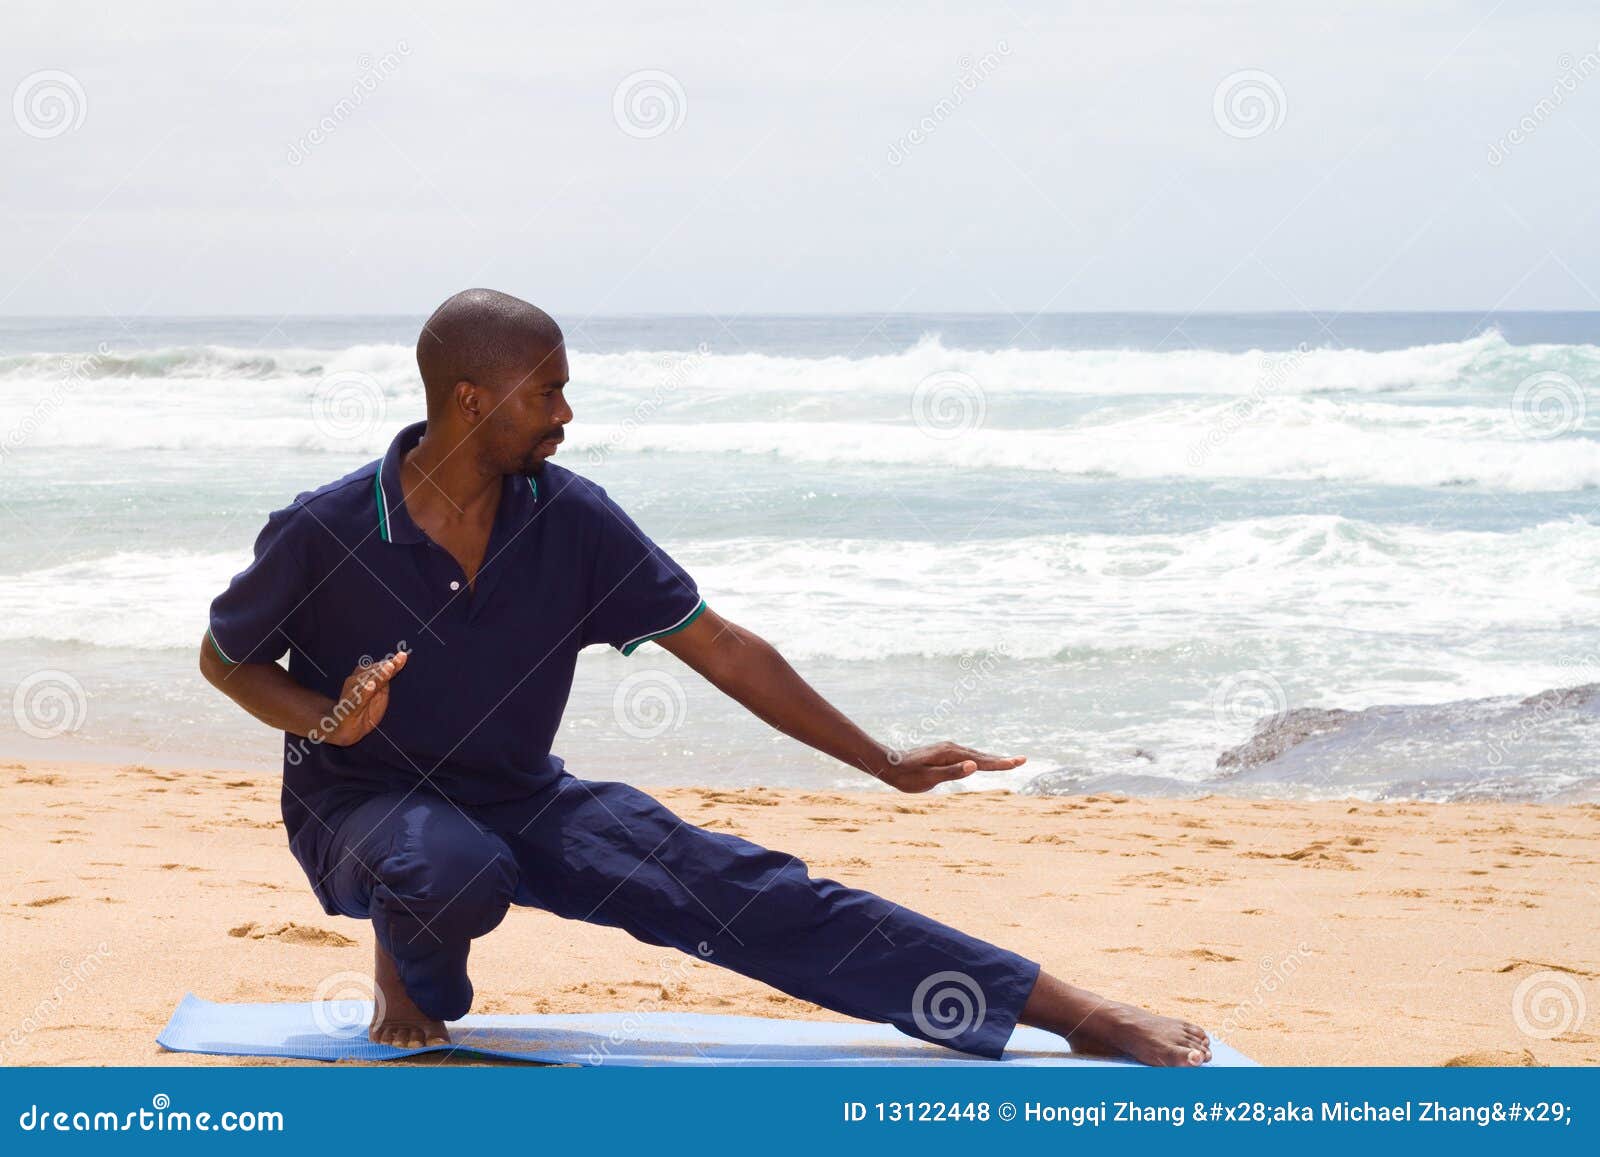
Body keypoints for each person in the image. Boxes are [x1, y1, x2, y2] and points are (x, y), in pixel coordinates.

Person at [199, 288, 1212, 1066]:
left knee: (755, 892)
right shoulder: (326, 528)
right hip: (360, 801)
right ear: (472, 398)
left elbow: (721, 644)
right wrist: (328, 719)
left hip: (520, 794)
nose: (566, 410)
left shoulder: (569, 518)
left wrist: (880, 756)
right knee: (450, 866)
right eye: (546, 389)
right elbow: (225, 656)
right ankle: (407, 978)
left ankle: (1074, 1010)